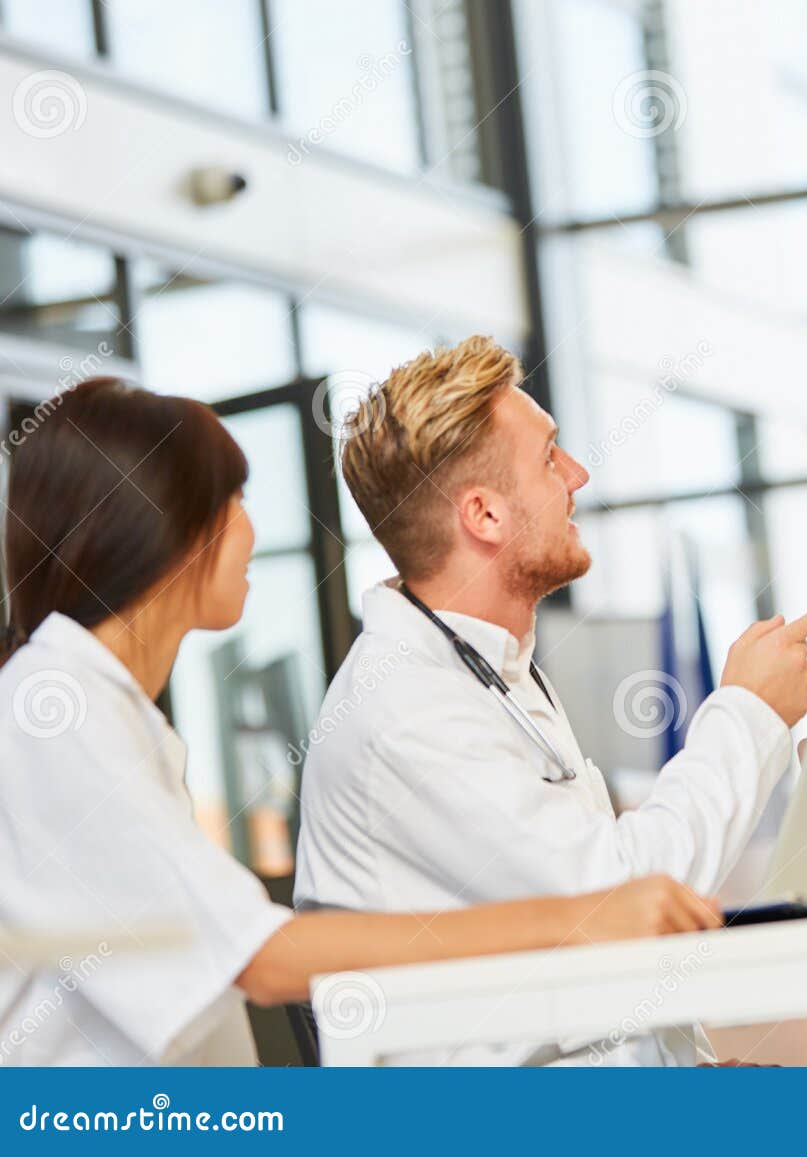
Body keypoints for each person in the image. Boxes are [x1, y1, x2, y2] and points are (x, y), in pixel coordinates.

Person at [0, 378, 718, 1067]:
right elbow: (262, 957)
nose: (251, 527)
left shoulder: (107, 714)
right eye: (235, 498)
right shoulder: (53, 708)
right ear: (164, 525)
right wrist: (580, 919)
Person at [292, 336, 807, 1066]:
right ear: (484, 515)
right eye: (551, 456)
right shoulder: (405, 709)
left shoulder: (490, 668)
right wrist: (746, 711)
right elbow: (617, 899)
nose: (578, 474)